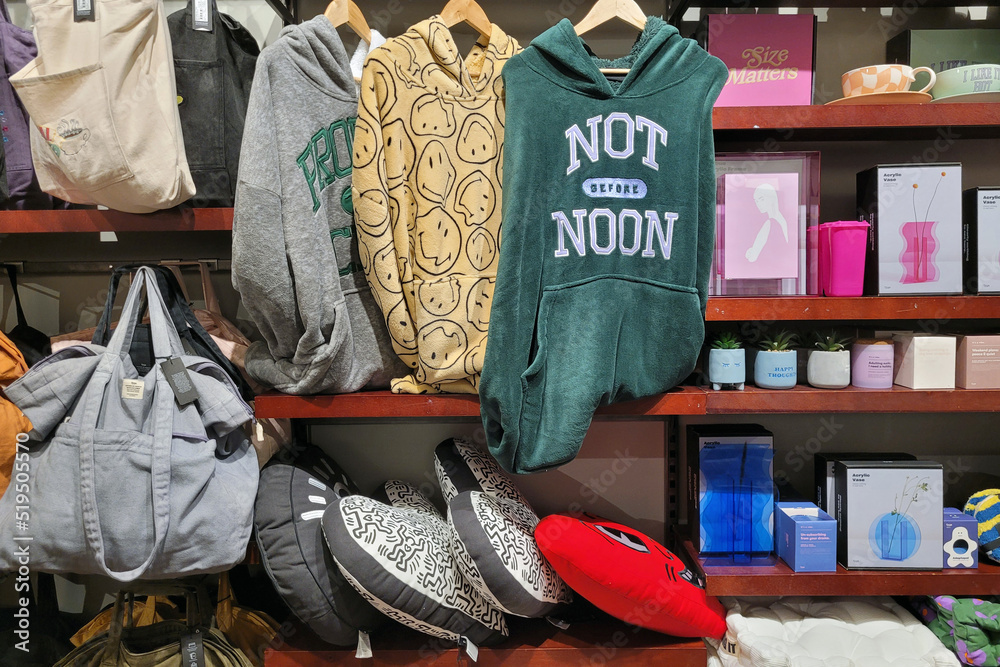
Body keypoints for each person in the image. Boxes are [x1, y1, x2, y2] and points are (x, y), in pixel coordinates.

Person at [745, 183, 788, 263]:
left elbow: (752, 257)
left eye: (761, 199)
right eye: (756, 201)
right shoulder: (782, 220)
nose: (758, 204)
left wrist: (749, 253)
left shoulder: (770, 223)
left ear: (771, 198)